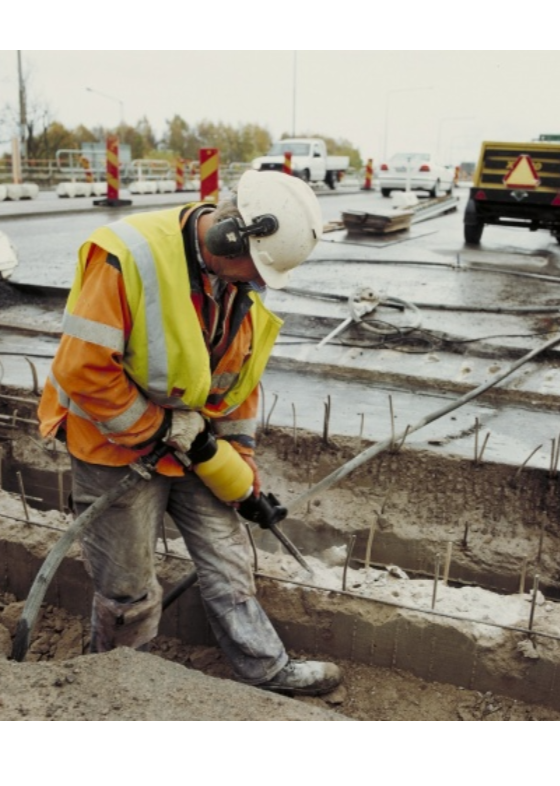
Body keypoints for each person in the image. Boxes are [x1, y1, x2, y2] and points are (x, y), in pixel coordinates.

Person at [37, 170, 342, 696]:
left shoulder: (236, 288)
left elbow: (237, 387)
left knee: (229, 562)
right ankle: (117, 686)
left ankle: (265, 669)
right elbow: (83, 370)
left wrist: (240, 473)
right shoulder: (127, 255)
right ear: (230, 236)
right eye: (259, 267)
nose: (263, 282)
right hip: (114, 447)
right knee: (128, 590)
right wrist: (161, 428)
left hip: (192, 448)